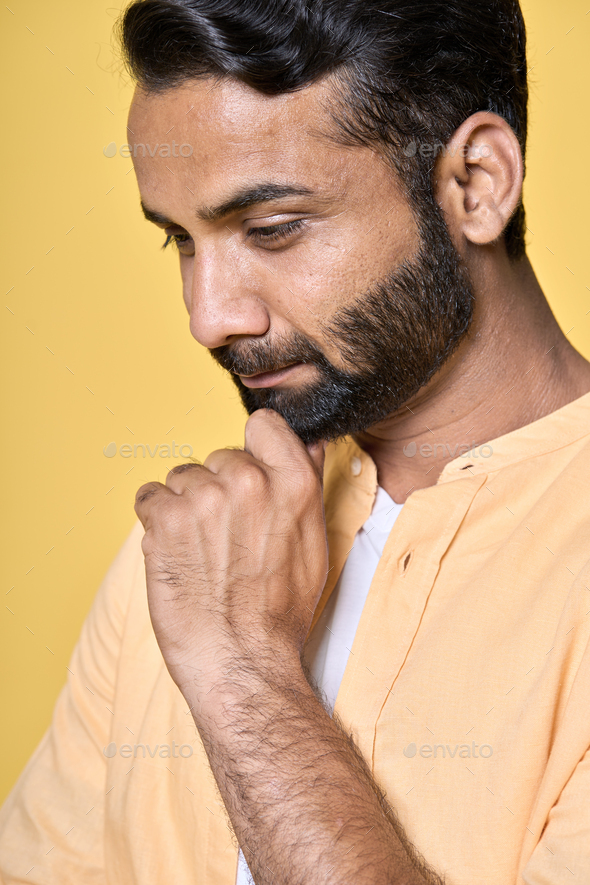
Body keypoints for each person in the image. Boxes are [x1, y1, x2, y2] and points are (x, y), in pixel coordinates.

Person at [2, 0, 590, 882]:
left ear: (477, 183)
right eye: (181, 241)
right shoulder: (195, 543)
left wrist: (242, 673)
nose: (209, 316)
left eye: (272, 229)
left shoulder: (211, 602)